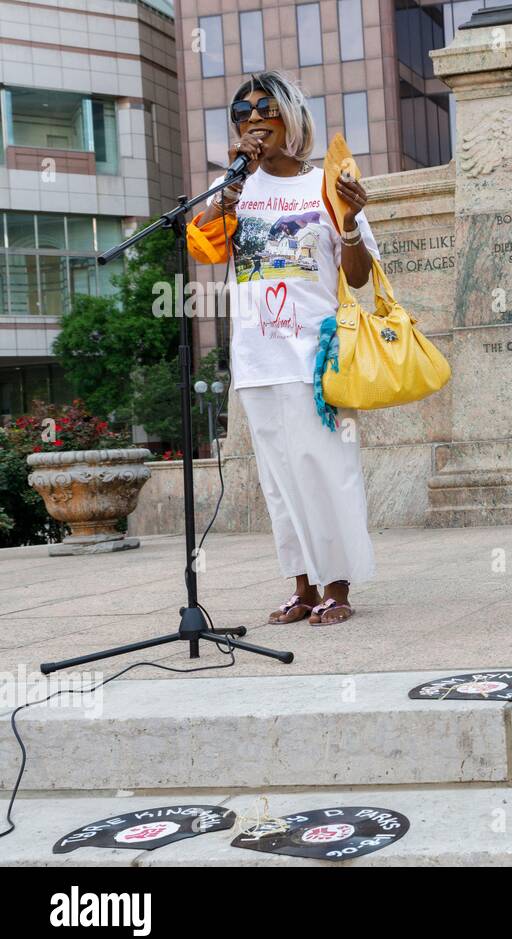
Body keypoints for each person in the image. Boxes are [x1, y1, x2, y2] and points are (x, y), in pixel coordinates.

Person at [188, 70, 379, 626]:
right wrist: (228, 193)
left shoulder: (325, 184)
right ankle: (301, 584)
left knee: (324, 469)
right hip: (256, 357)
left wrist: (349, 223)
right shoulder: (236, 193)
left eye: (264, 109)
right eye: (242, 113)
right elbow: (202, 250)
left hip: (314, 355)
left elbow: (360, 275)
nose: (252, 120)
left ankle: (337, 588)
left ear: (291, 116)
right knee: (278, 481)